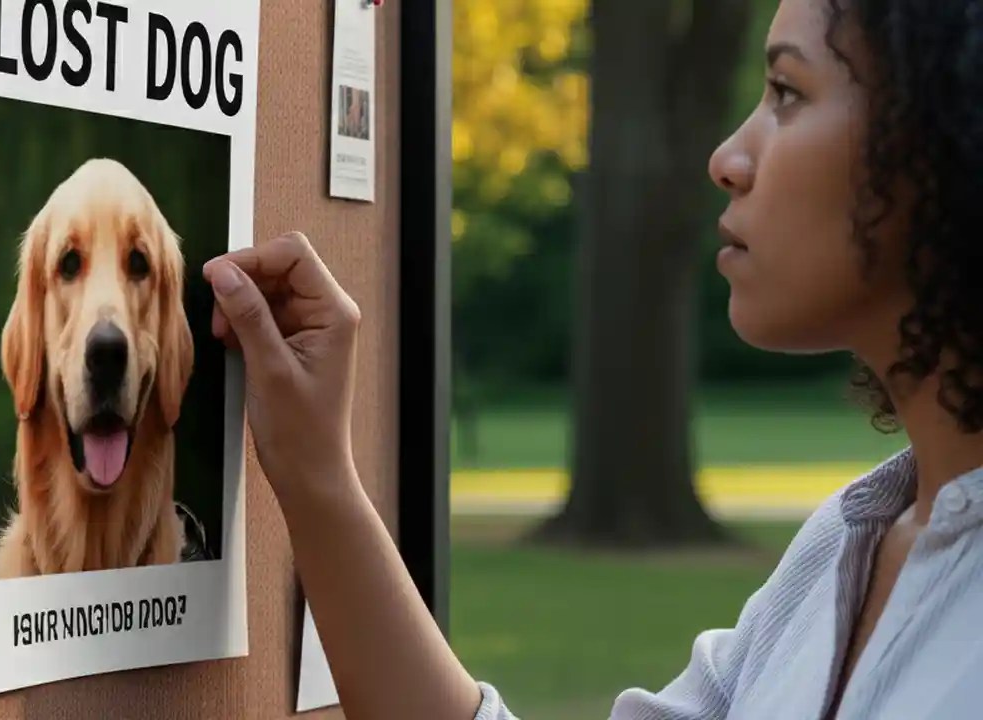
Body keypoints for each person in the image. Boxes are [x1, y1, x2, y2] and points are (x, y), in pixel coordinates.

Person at [199, 0, 983, 716]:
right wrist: (317, 474)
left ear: (943, 136)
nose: (727, 157)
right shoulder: (845, 545)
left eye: (786, 92)